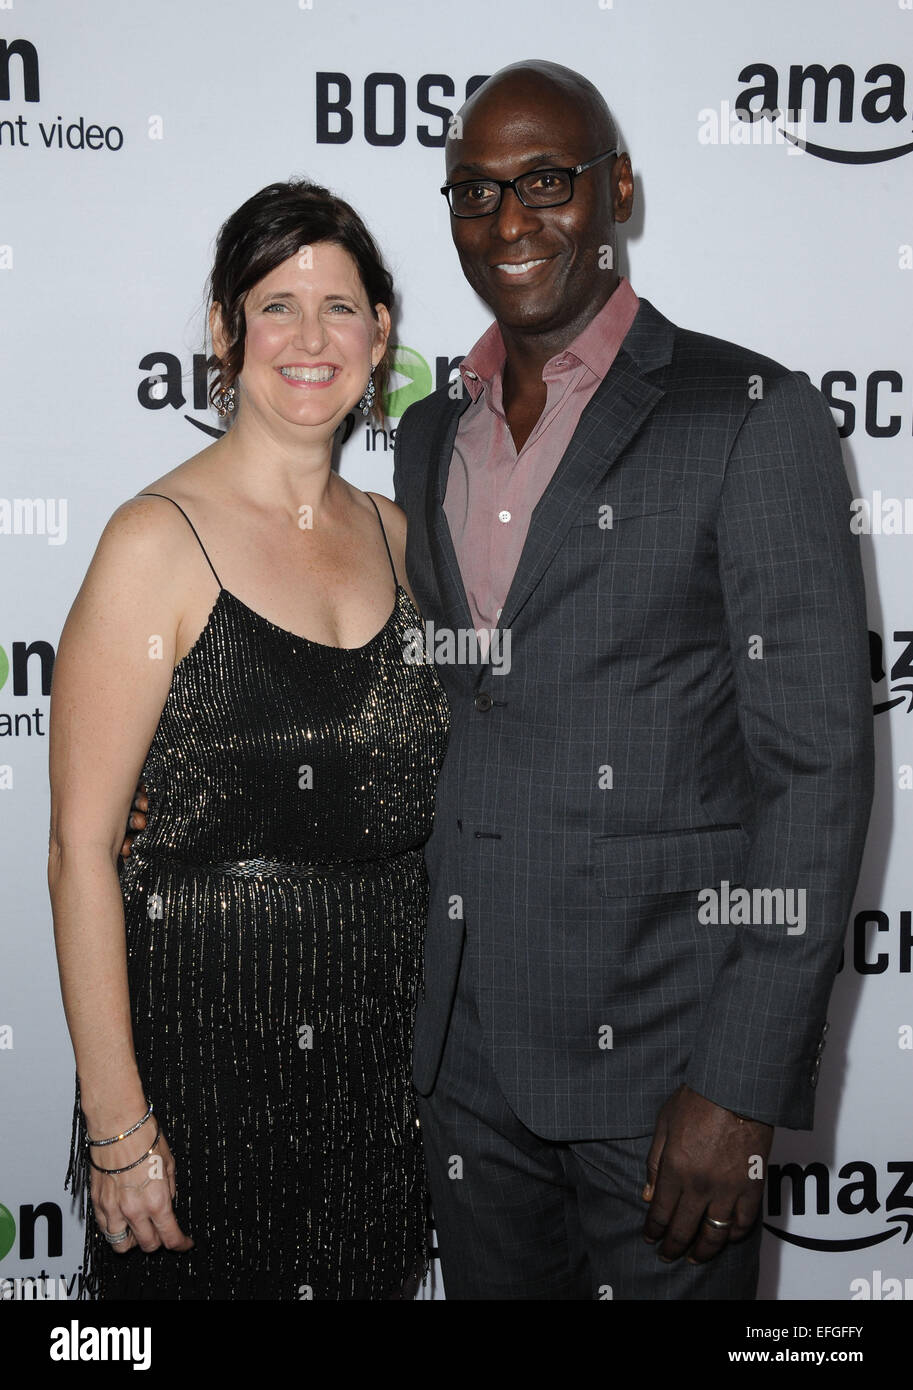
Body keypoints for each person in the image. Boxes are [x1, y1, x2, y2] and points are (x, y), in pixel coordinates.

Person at [389, 61, 874, 1299]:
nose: (507, 223)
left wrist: (740, 1081)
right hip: (467, 1055)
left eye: (543, 182)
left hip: (667, 1065)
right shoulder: (433, 429)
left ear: (616, 190)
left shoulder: (750, 413)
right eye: (473, 192)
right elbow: (463, 710)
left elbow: (816, 771)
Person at [48, 179, 449, 1300]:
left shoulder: (410, 542)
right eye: (277, 305)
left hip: (378, 1082)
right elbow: (81, 850)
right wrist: (119, 1124)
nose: (310, 338)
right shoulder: (154, 542)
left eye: (340, 305)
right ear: (226, 333)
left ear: (381, 333)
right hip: (199, 1074)